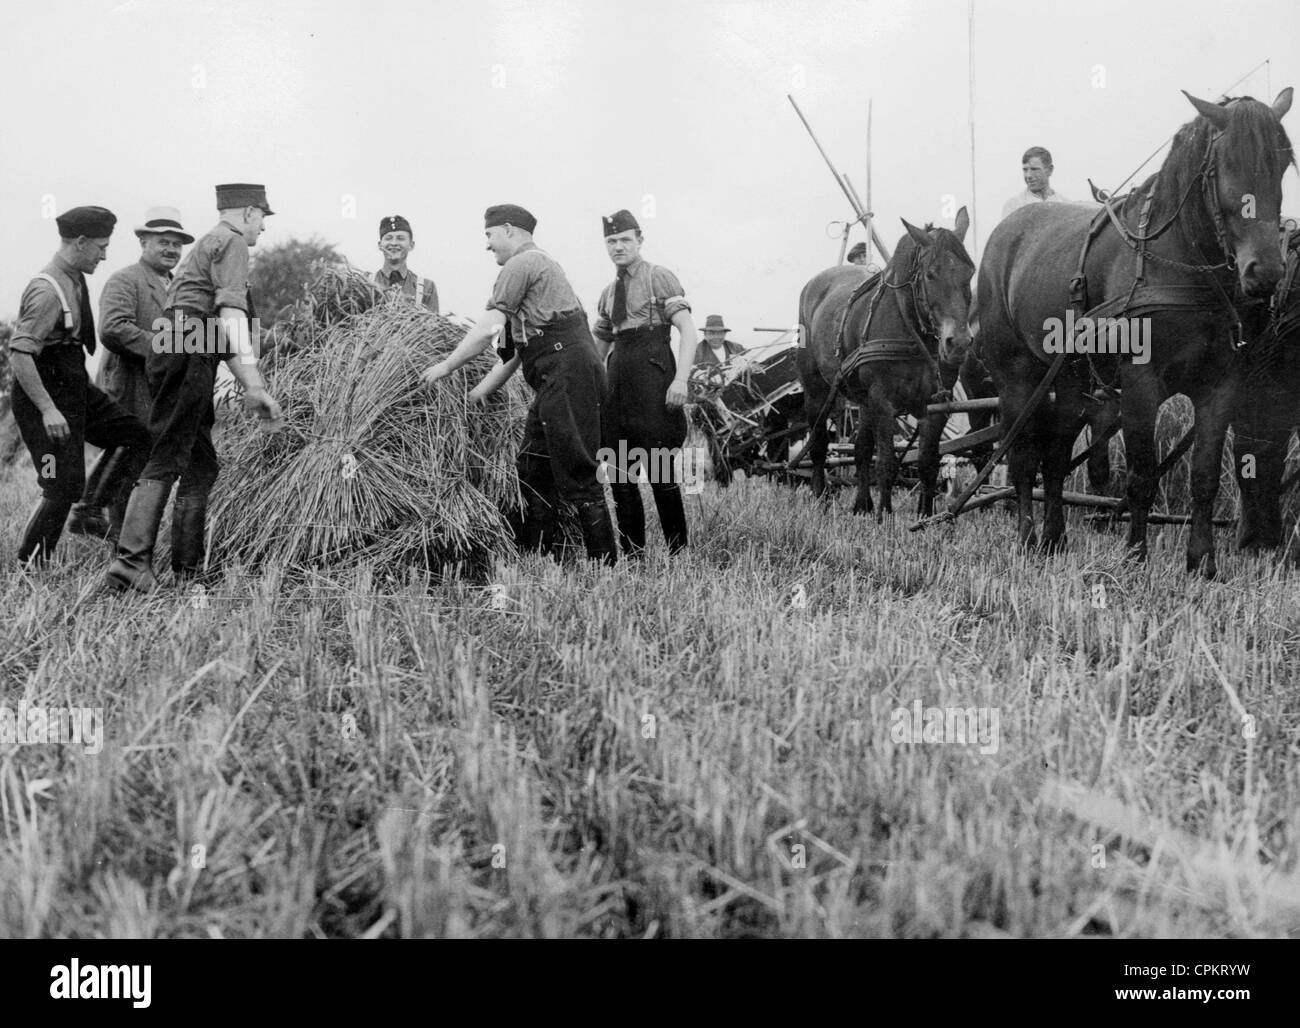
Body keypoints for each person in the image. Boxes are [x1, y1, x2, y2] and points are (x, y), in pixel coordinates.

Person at [106, 184, 283, 592]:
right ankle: (130, 564)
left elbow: (219, 336)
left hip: (181, 340)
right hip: (188, 341)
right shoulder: (234, 241)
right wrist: (255, 384)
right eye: (262, 219)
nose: (263, 229)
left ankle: (188, 570)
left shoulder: (210, 244)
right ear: (249, 212)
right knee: (168, 451)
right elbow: (230, 315)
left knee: (201, 463)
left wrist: (254, 386)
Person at [420, 204, 617, 565]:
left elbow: (486, 329)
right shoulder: (535, 276)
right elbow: (513, 357)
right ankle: (539, 557)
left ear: (509, 230)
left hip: (567, 374)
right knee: (533, 466)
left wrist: (445, 366)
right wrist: (478, 392)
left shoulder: (522, 264)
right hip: (555, 376)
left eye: (489, 235)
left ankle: (606, 567)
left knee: (577, 470)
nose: (488, 245)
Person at [8, 207, 151, 568]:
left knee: (136, 436)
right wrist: (47, 409)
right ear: (81, 242)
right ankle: (31, 565)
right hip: (45, 396)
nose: (104, 255)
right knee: (59, 481)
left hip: (75, 388)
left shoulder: (74, 276)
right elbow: (21, 354)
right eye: (100, 247)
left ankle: (90, 509)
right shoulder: (48, 290)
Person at [70, 206, 194, 541]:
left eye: (176, 244)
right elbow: (113, 329)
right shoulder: (125, 279)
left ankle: (119, 537)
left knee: (143, 464)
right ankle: (105, 528)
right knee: (131, 458)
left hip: (159, 391)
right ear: (143, 241)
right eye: (163, 242)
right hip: (128, 385)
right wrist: (164, 348)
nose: (171, 249)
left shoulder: (179, 287)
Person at [592, 209, 696, 556]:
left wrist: (681, 380)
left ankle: (678, 554)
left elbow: (688, 331)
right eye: (611, 241)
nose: (618, 247)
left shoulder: (658, 278)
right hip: (618, 387)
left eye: (624, 240)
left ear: (639, 240)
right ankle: (634, 557)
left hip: (654, 382)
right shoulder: (608, 293)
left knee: (661, 475)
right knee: (620, 479)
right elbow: (599, 347)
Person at [374, 215, 439, 312]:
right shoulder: (365, 283)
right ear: (380, 245)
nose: (394, 243)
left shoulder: (427, 287)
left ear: (411, 245)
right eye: (388, 238)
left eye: (400, 238)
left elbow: (433, 325)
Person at [1001, 146, 1070, 220]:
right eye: (1025, 170)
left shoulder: (1065, 205)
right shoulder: (1014, 205)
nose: (1028, 175)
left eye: (1034, 169)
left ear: (1050, 170)